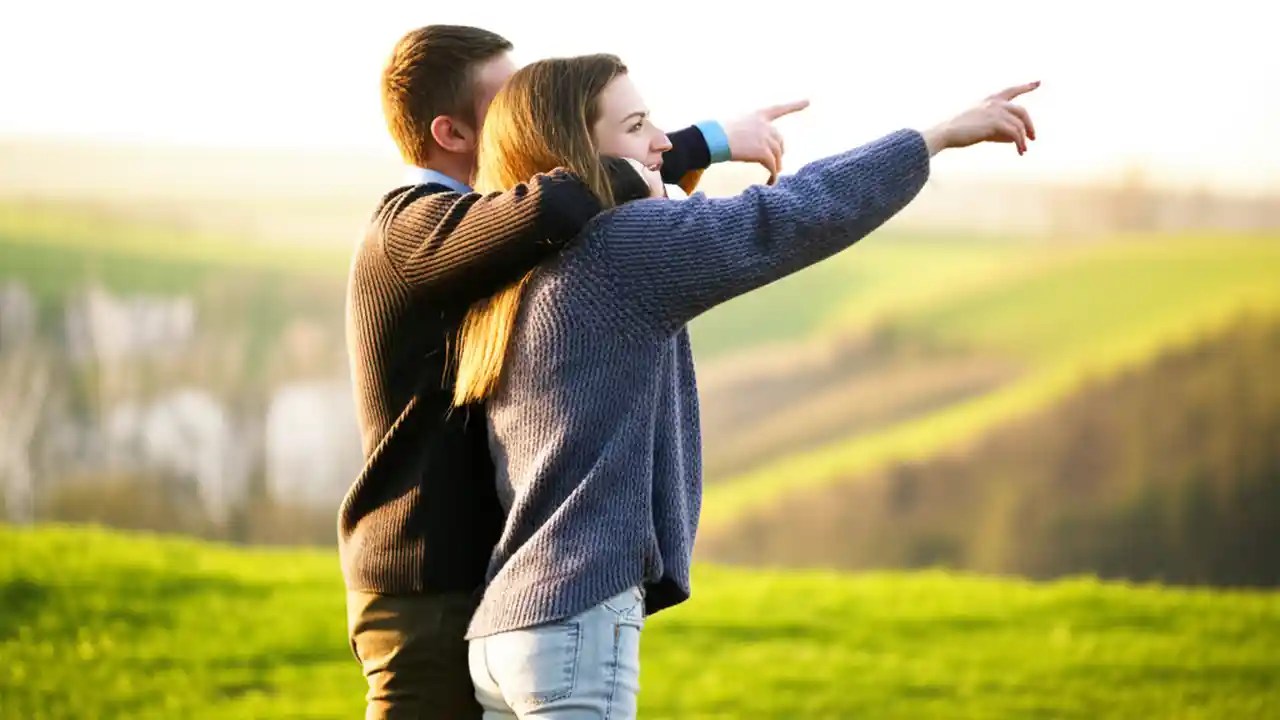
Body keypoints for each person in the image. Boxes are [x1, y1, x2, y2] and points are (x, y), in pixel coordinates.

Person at [455, 54, 1039, 718]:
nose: (661, 144)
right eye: (638, 126)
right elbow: (790, 215)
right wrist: (933, 138)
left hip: (504, 628)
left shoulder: (512, 269)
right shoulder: (622, 250)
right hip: (575, 623)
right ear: (575, 150)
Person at [342, 24, 808, 719]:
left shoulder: (488, 222)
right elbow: (560, 198)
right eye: (509, 101)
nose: (533, 110)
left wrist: (695, 142)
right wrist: (686, 146)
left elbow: (562, 194)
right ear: (450, 131)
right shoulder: (413, 227)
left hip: (485, 581)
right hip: (423, 591)